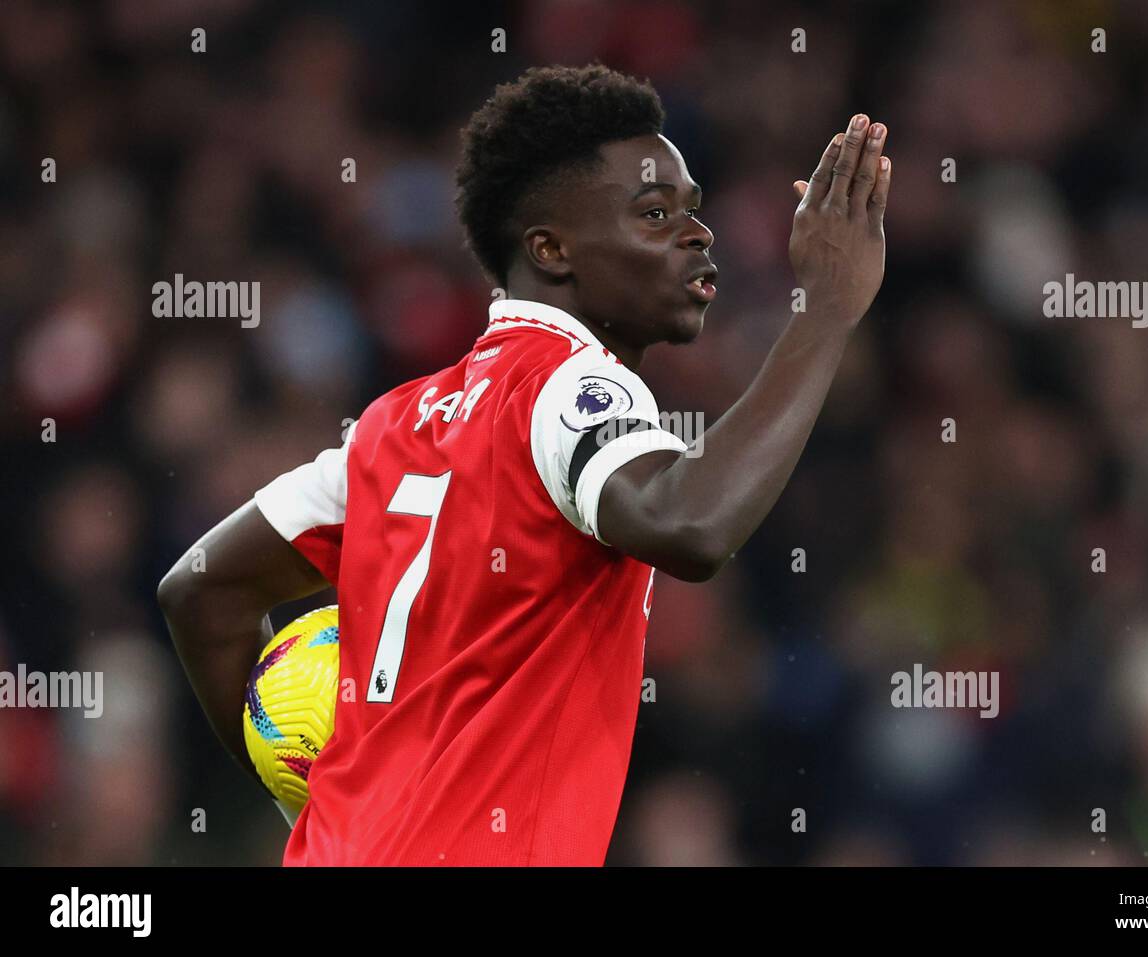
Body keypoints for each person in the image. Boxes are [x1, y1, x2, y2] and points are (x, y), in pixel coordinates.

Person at [157, 63, 891, 865]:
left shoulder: (389, 427)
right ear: (551, 249)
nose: (696, 235)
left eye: (693, 212)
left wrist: (317, 799)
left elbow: (200, 589)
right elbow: (688, 523)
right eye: (654, 213)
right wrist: (825, 309)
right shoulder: (568, 385)